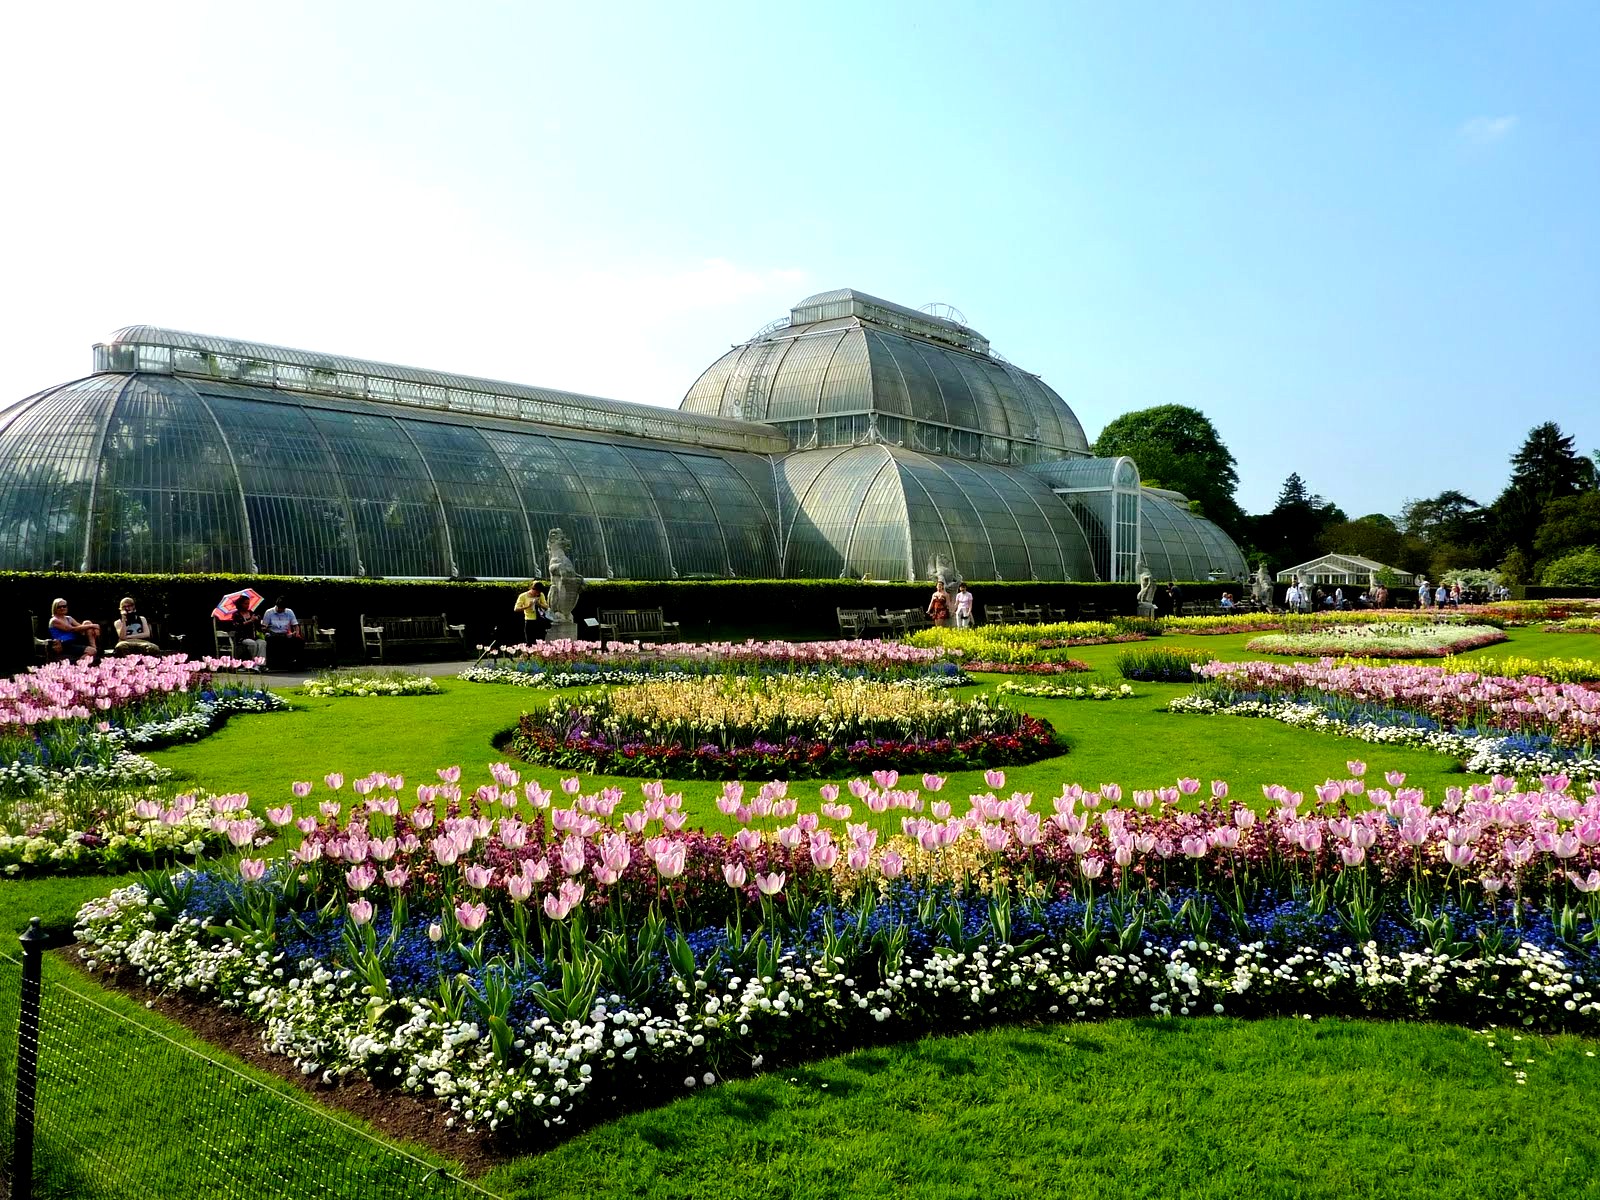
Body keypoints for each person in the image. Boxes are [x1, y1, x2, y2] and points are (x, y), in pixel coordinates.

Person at [260, 597, 302, 669]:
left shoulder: (289, 612)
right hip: (273, 634)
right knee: (274, 640)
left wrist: (297, 633)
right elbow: (263, 627)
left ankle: (297, 664)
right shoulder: (269, 612)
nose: (281, 610)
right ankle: (277, 664)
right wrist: (268, 630)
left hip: (285, 634)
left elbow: (295, 625)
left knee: (299, 641)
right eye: (280, 608)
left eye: (283, 608)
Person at [223, 595, 264, 664]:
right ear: (240, 604)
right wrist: (250, 621)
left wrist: (258, 620)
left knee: (262, 642)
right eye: (245, 603)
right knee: (252, 644)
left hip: (253, 636)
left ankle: (261, 664)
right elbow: (237, 626)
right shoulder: (236, 615)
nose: (247, 605)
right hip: (243, 637)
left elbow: (258, 626)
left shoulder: (251, 613)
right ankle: (252, 664)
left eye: (248, 603)